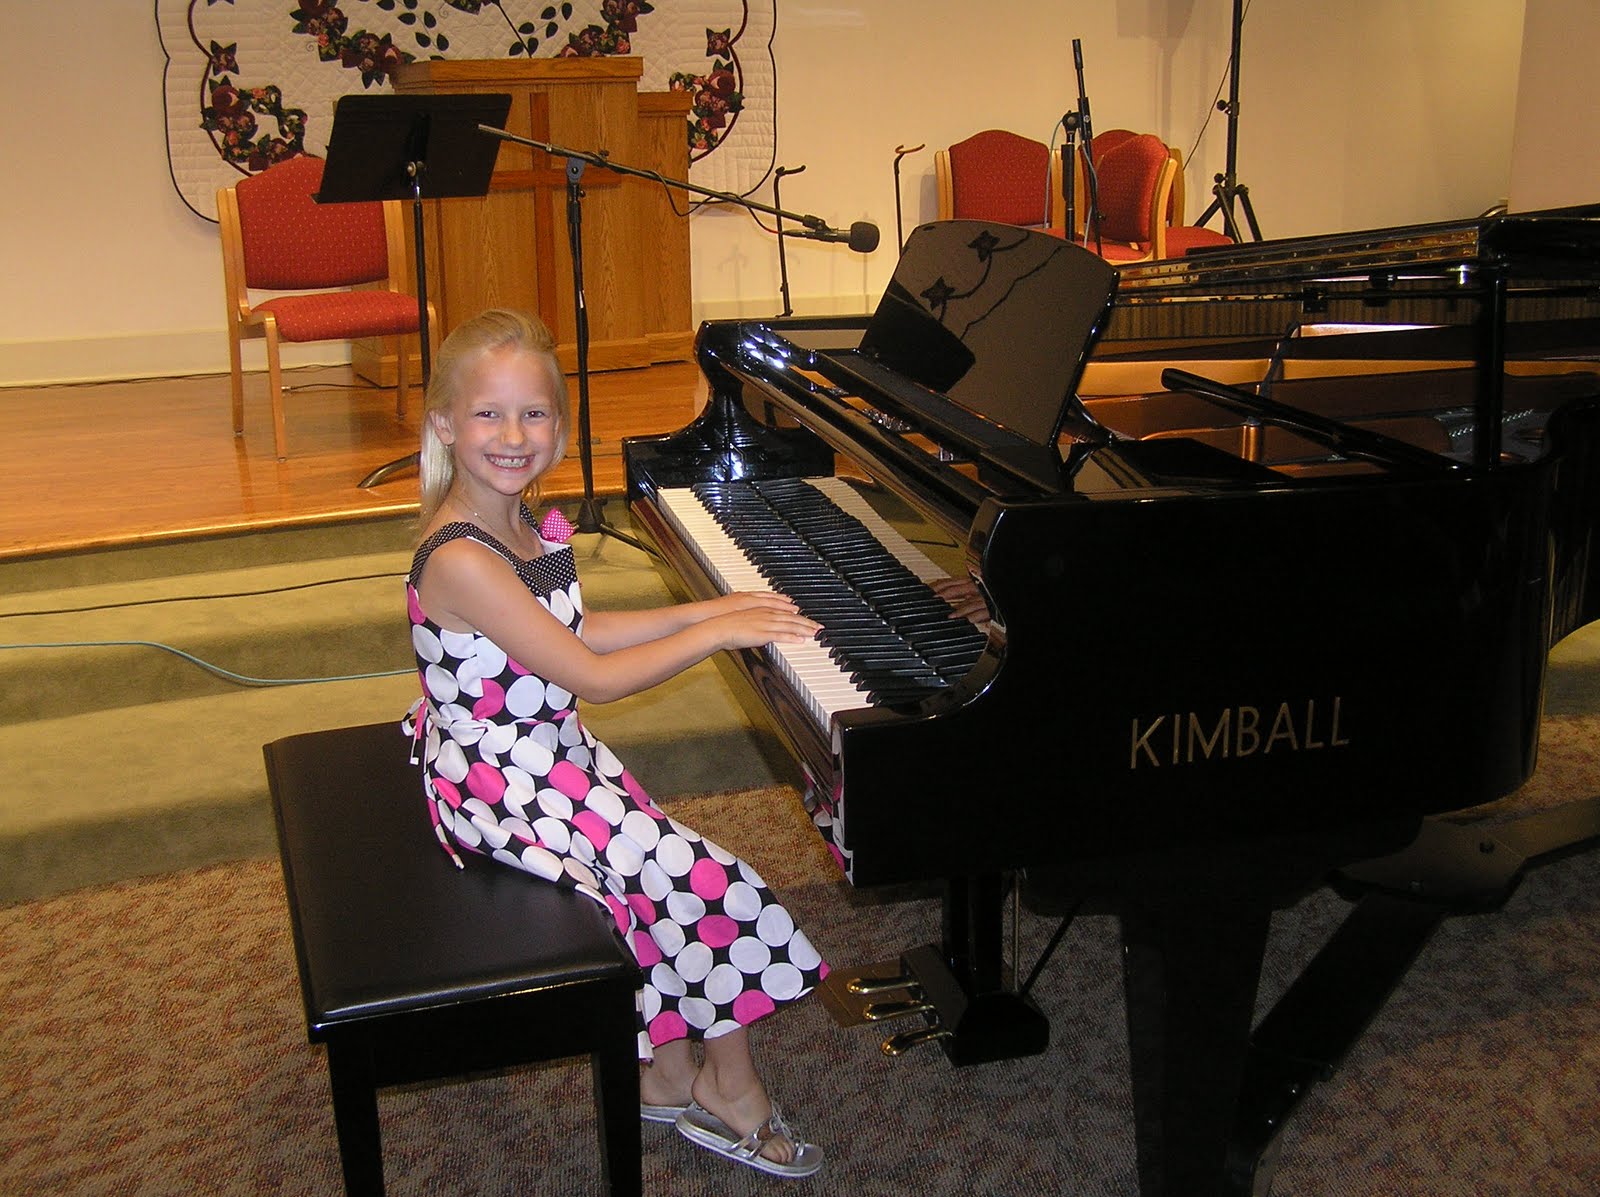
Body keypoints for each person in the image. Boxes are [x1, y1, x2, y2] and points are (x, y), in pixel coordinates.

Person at [401, 308, 827, 1179]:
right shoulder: (461, 558)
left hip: (548, 750)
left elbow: (580, 625)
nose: (514, 435)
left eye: (535, 414)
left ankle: (667, 1071)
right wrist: (717, 636)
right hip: (495, 777)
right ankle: (727, 1089)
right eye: (488, 414)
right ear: (445, 422)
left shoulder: (529, 525)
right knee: (700, 877)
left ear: (559, 423)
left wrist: (713, 606)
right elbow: (592, 674)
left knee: (658, 870)